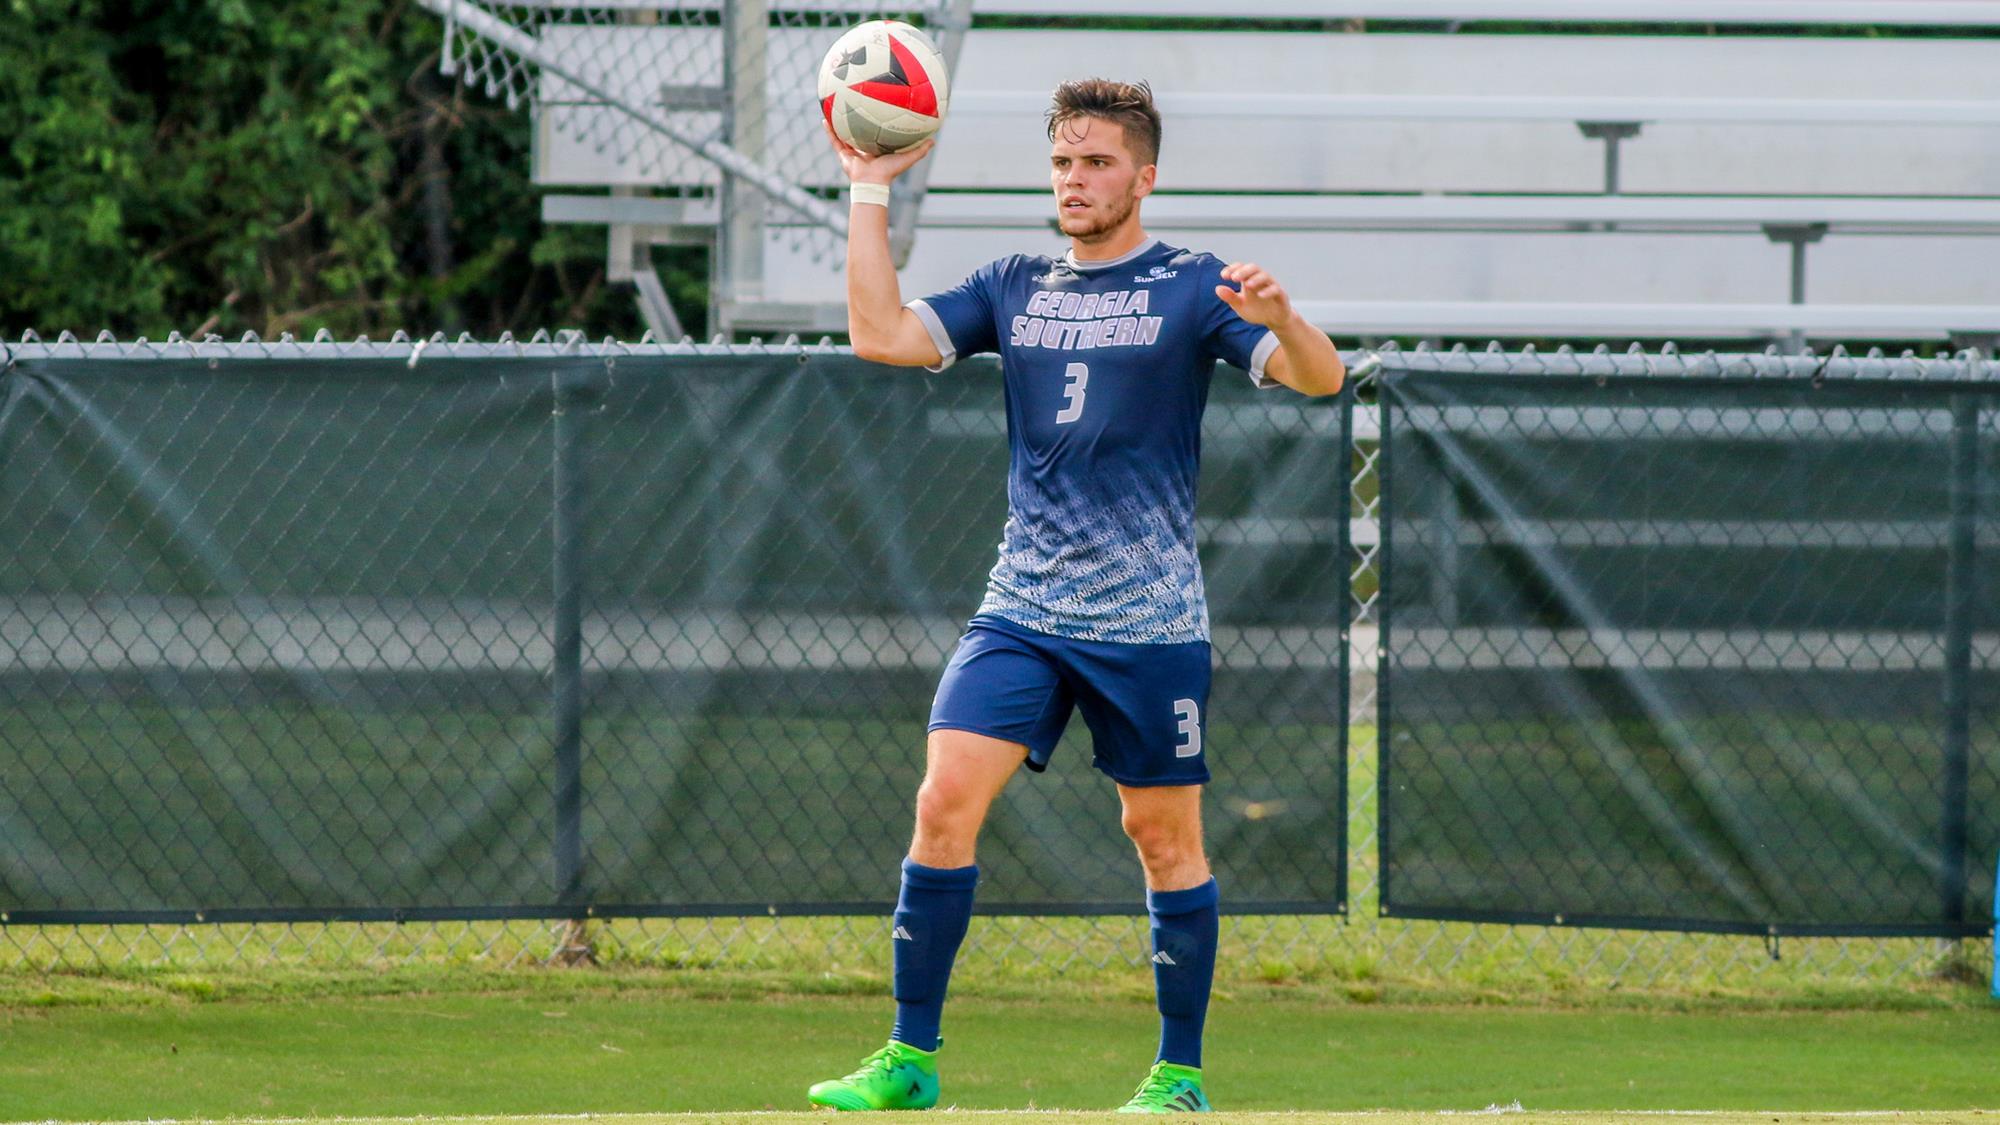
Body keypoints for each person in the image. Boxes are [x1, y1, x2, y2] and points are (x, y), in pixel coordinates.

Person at [807, 78, 1345, 1115]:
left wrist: (1283, 316)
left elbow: (1319, 380)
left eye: (1096, 163)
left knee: (1160, 839)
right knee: (940, 804)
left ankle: (1178, 1076)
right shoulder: (1012, 283)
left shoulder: (1193, 285)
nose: (1075, 180)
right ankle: (909, 1060)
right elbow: (880, 336)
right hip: (1022, 608)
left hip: (1145, 620)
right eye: (1062, 162)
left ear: (1143, 177)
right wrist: (866, 189)